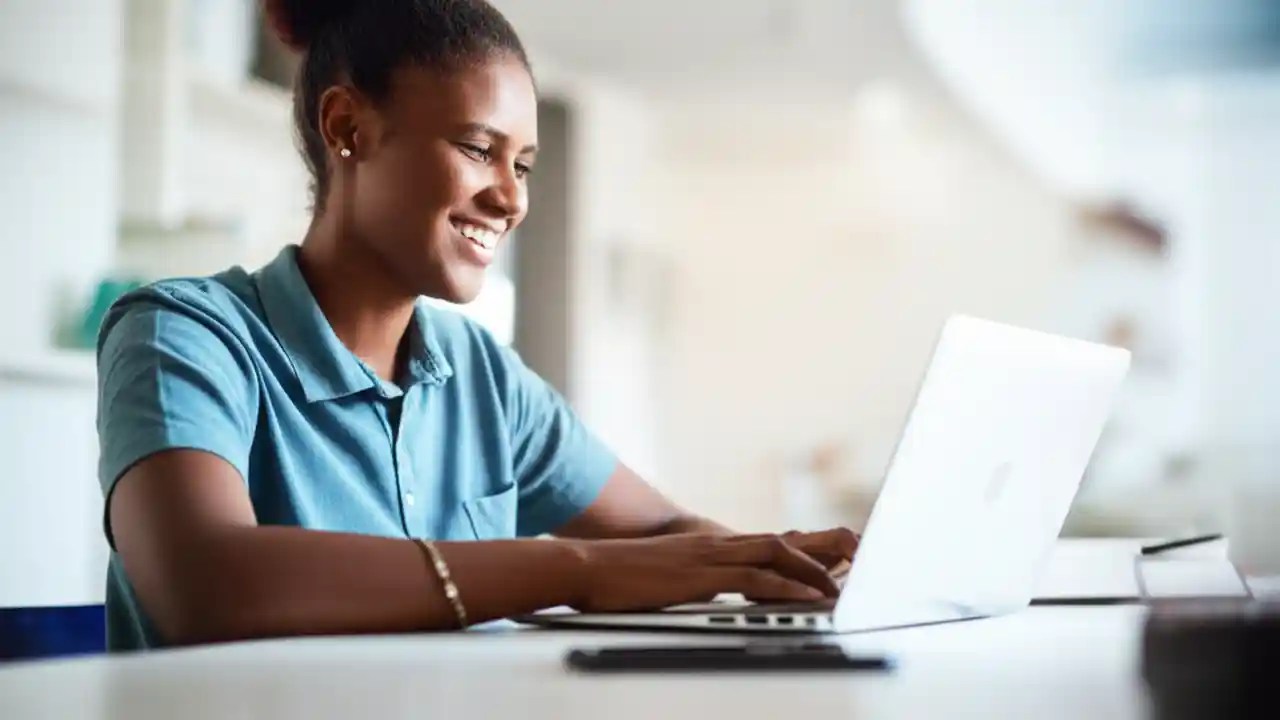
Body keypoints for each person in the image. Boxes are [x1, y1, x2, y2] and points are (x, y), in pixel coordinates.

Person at [97, 0, 857, 652]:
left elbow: (661, 533)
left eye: (521, 165)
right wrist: (576, 570)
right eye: (477, 149)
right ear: (347, 126)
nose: (512, 199)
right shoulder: (185, 336)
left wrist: (782, 568)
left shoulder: (481, 375)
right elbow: (202, 581)